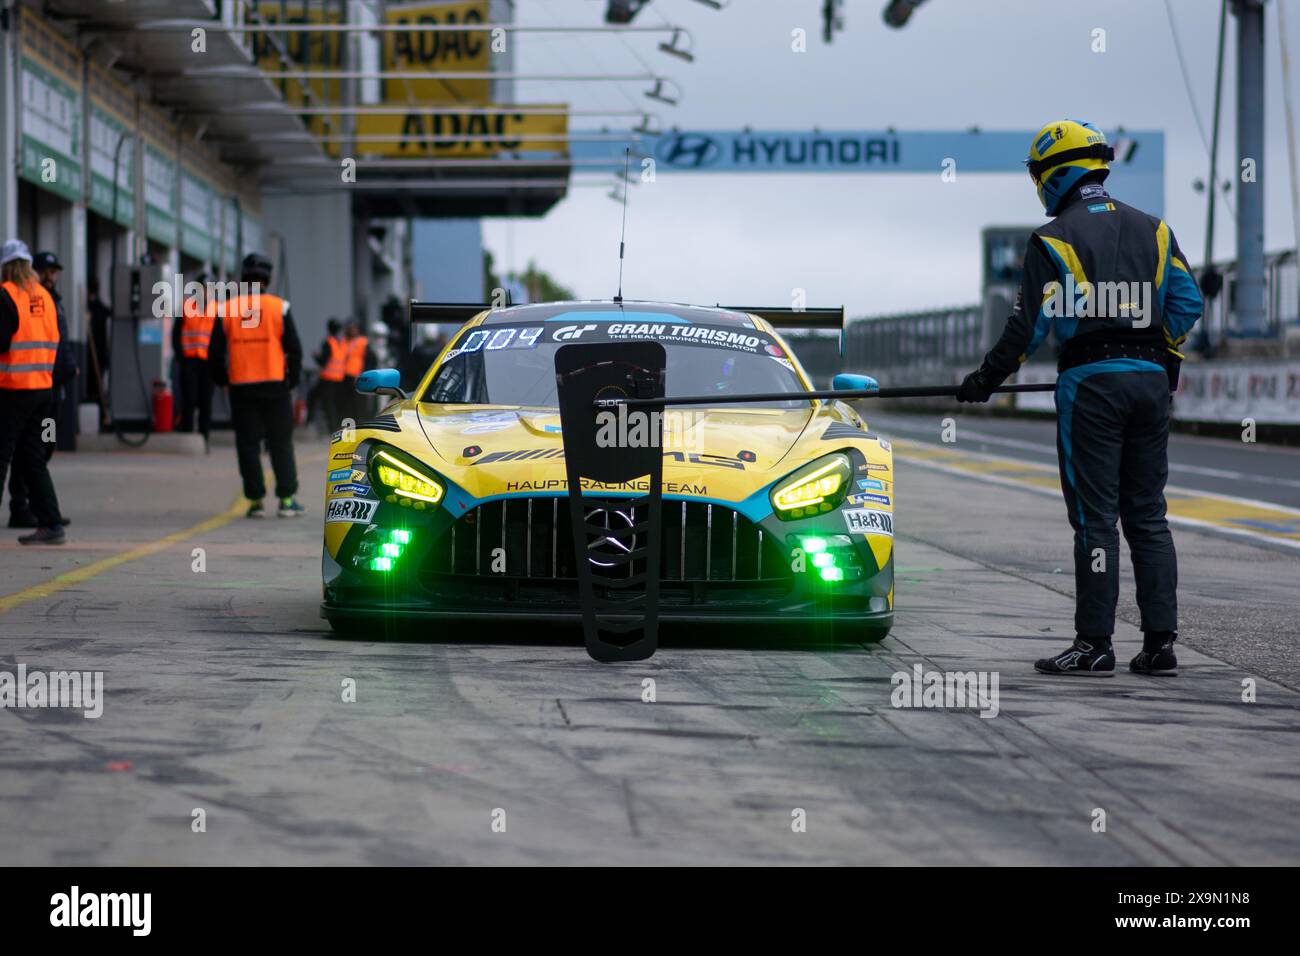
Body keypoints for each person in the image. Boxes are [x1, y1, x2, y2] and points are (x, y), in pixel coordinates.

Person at [956, 120, 1203, 677]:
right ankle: (1160, 645)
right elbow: (1187, 305)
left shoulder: (1052, 240)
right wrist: (1161, 353)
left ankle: (1094, 645)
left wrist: (984, 382)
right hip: (1148, 383)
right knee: (1147, 516)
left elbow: (1025, 330)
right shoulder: (1156, 231)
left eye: (1038, 174)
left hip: (1091, 384)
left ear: (1056, 173)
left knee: (1096, 520)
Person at [207, 252, 306, 519]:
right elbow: (295, 350)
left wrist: (223, 380)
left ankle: (256, 502)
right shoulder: (279, 307)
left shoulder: (227, 309)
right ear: (268, 278)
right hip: (275, 385)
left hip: (241, 386)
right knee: (280, 443)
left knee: (248, 445)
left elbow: (214, 353)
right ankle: (286, 500)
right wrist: (292, 380)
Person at [0, 240, 67, 544]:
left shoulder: (7, 295)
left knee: (2, 455)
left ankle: (46, 521)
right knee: (33, 458)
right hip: (43, 390)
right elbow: (56, 338)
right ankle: (51, 523)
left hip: (14, 390)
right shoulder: (45, 296)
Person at [172, 273, 215, 442]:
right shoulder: (186, 307)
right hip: (189, 361)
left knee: (206, 401)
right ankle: (188, 436)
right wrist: (181, 358)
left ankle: (204, 438)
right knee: (189, 399)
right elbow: (176, 334)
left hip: (208, 362)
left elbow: (220, 338)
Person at [313, 317, 347, 431]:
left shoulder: (328, 342)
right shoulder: (342, 342)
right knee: (336, 404)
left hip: (327, 379)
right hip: (340, 379)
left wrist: (315, 356)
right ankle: (337, 426)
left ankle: (331, 428)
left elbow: (323, 361)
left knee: (323, 402)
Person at [342, 319, 373, 423]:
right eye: (350, 328)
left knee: (359, 402)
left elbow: (370, 359)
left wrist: (363, 374)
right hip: (345, 376)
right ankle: (349, 423)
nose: (352, 330)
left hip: (358, 376)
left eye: (354, 328)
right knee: (347, 402)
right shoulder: (345, 341)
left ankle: (361, 422)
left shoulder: (363, 341)